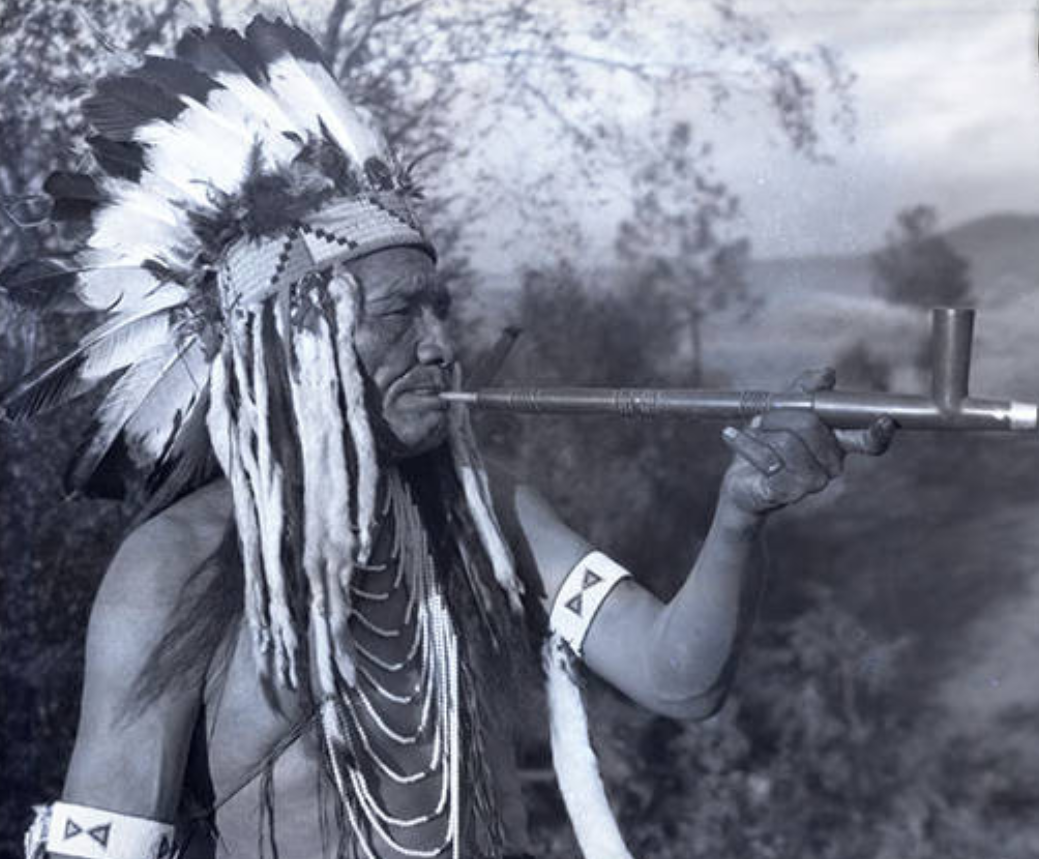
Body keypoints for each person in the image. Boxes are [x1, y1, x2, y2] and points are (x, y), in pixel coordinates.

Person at [5, 17, 894, 859]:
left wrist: (740, 514)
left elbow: (678, 678)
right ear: (296, 340)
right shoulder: (174, 568)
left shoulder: (489, 515)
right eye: (400, 312)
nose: (439, 344)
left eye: (442, 311)